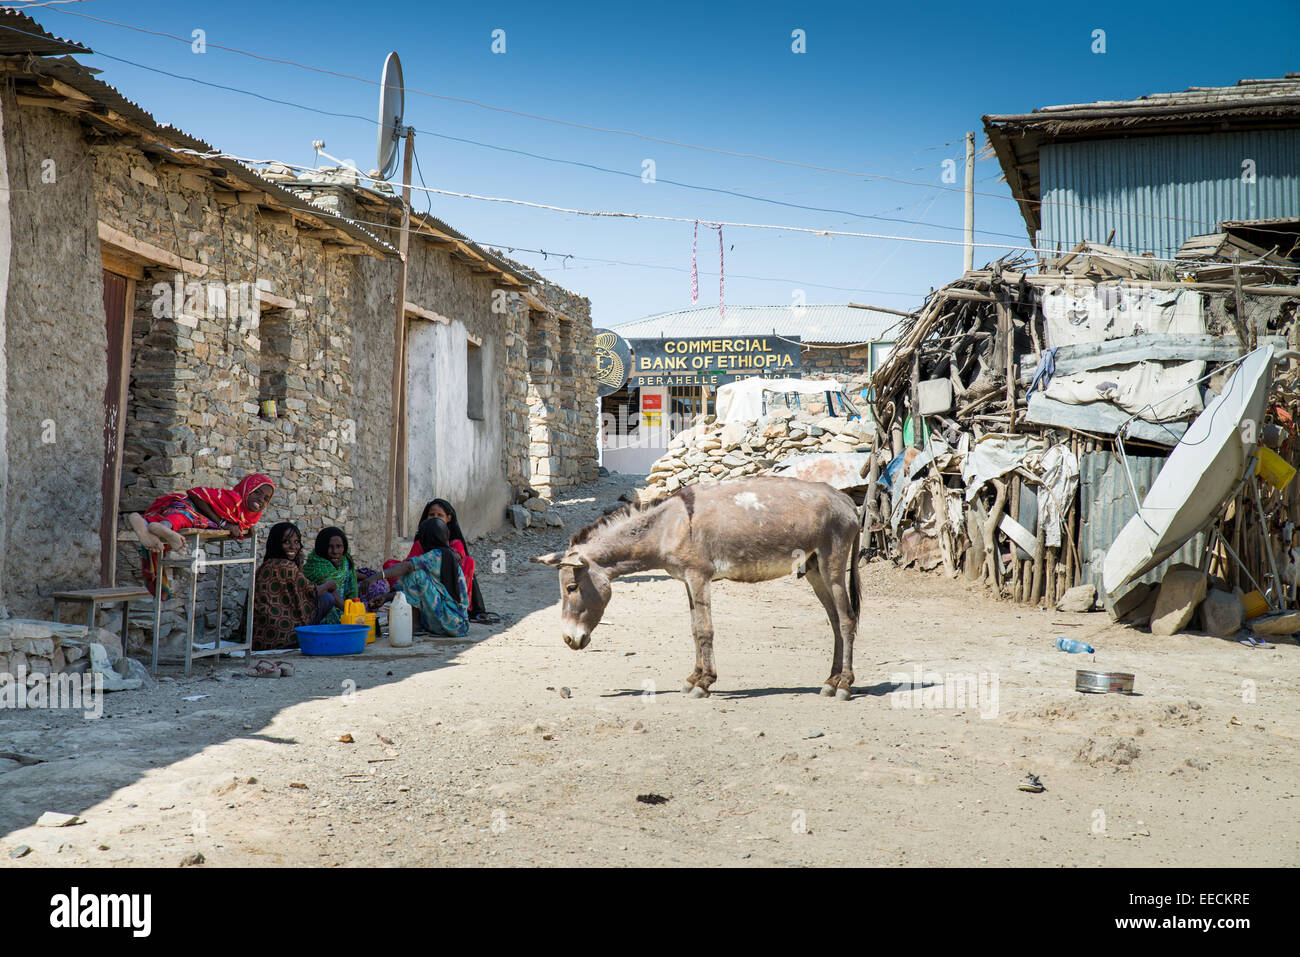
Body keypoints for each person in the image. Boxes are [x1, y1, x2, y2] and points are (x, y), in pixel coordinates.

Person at [129, 474, 275, 597]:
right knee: (185, 516)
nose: (261, 499)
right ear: (246, 489)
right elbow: (196, 494)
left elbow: (239, 522)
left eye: (266, 498)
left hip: (192, 516)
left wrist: (247, 528)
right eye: (257, 492)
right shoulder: (233, 499)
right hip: (187, 505)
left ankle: (147, 524)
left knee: (182, 519)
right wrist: (223, 524)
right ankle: (163, 528)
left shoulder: (250, 515)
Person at [364, 518, 469, 637]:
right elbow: (417, 591)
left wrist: (376, 577)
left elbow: (408, 566)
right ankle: (416, 624)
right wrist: (386, 597)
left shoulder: (436, 555)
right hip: (458, 623)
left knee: (415, 574)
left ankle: (415, 626)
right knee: (417, 576)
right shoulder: (447, 555)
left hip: (452, 622)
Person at [249, 522, 338, 651]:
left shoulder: (264, 566)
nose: (293, 547)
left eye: (296, 542)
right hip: (283, 636)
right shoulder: (287, 566)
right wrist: (330, 584)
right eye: (286, 542)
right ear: (276, 544)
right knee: (327, 598)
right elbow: (313, 592)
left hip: (258, 638)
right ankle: (301, 636)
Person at [409, 498, 500, 624]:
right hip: (426, 587)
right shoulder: (420, 543)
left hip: (449, 588)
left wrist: (439, 551)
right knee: (391, 565)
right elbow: (409, 565)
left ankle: (462, 607)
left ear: (449, 518)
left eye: (440, 515)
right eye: (431, 515)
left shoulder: (454, 543)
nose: (435, 518)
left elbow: (454, 560)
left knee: (468, 562)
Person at [302, 526, 358, 624]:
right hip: (319, 612)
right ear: (322, 547)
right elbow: (331, 592)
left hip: (344, 607)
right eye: (330, 546)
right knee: (328, 599)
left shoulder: (345, 562)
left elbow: (351, 588)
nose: (335, 551)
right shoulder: (315, 567)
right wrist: (351, 612)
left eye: (339, 546)